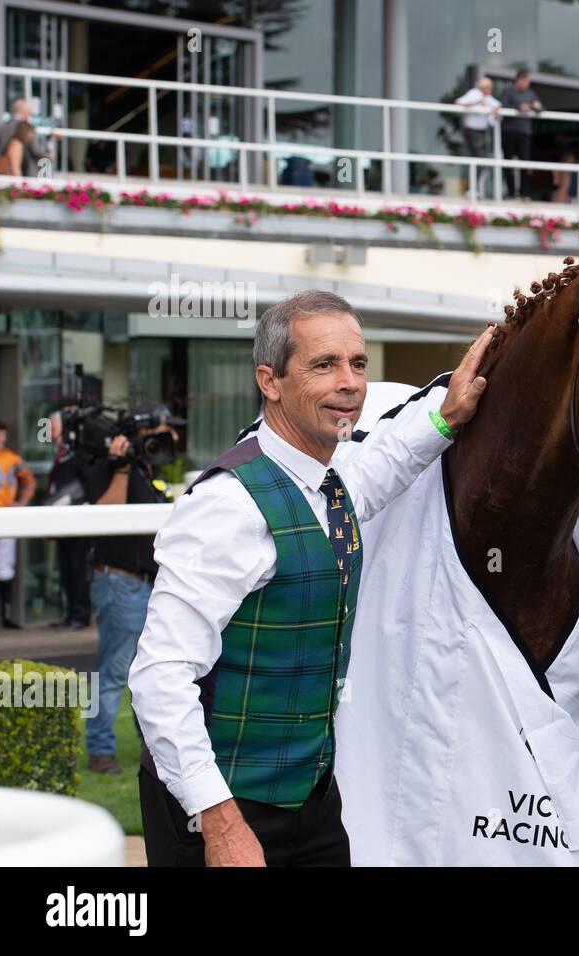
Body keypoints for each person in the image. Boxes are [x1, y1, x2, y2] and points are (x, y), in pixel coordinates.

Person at [128, 290, 494, 867]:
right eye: (324, 365)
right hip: (218, 809)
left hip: (314, 801)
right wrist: (219, 822)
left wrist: (445, 416)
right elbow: (159, 676)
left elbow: (383, 467)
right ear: (269, 382)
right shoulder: (226, 506)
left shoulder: (333, 478)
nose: (350, 382)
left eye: (358, 363)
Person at [79, 407, 184, 774]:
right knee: (113, 671)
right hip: (120, 582)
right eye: (158, 431)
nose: (166, 438)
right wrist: (121, 467)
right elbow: (105, 513)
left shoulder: (148, 469)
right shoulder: (104, 465)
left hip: (149, 583)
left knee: (153, 670)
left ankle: (152, 748)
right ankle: (100, 750)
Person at [47, 411, 92, 630]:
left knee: (77, 570)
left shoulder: (77, 455)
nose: (50, 432)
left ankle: (79, 615)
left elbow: (86, 487)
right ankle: (70, 614)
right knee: (66, 571)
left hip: (77, 525)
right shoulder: (61, 456)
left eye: (53, 427)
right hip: (61, 524)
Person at [0, 419, 36, 629]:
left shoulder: (12, 459)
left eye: (2, 435)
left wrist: (21, 503)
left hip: (6, 518)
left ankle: (5, 616)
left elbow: (29, 481)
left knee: (4, 568)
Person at [453, 76, 501, 197]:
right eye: (488, 87)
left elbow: (497, 107)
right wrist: (476, 104)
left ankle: (475, 188)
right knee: (479, 159)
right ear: (482, 87)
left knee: (482, 160)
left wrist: (495, 110)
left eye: (491, 87)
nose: (490, 89)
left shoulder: (489, 98)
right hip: (472, 130)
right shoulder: (474, 94)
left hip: (483, 131)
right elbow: (458, 103)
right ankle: (472, 189)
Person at [500, 69, 543, 200]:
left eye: (527, 81)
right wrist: (519, 107)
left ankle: (525, 193)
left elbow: (541, 108)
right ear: (517, 80)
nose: (525, 83)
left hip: (525, 133)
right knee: (509, 163)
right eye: (523, 80)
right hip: (510, 132)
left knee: (525, 163)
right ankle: (512, 193)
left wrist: (536, 107)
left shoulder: (531, 93)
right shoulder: (508, 92)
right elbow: (503, 107)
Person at [0, 99, 50, 176]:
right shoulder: (26, 127)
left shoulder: (1, 127)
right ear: (25, 113)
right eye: (30, 113)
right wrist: (48, 155)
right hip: (25, 173)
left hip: (4, 172)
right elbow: (36, 150)